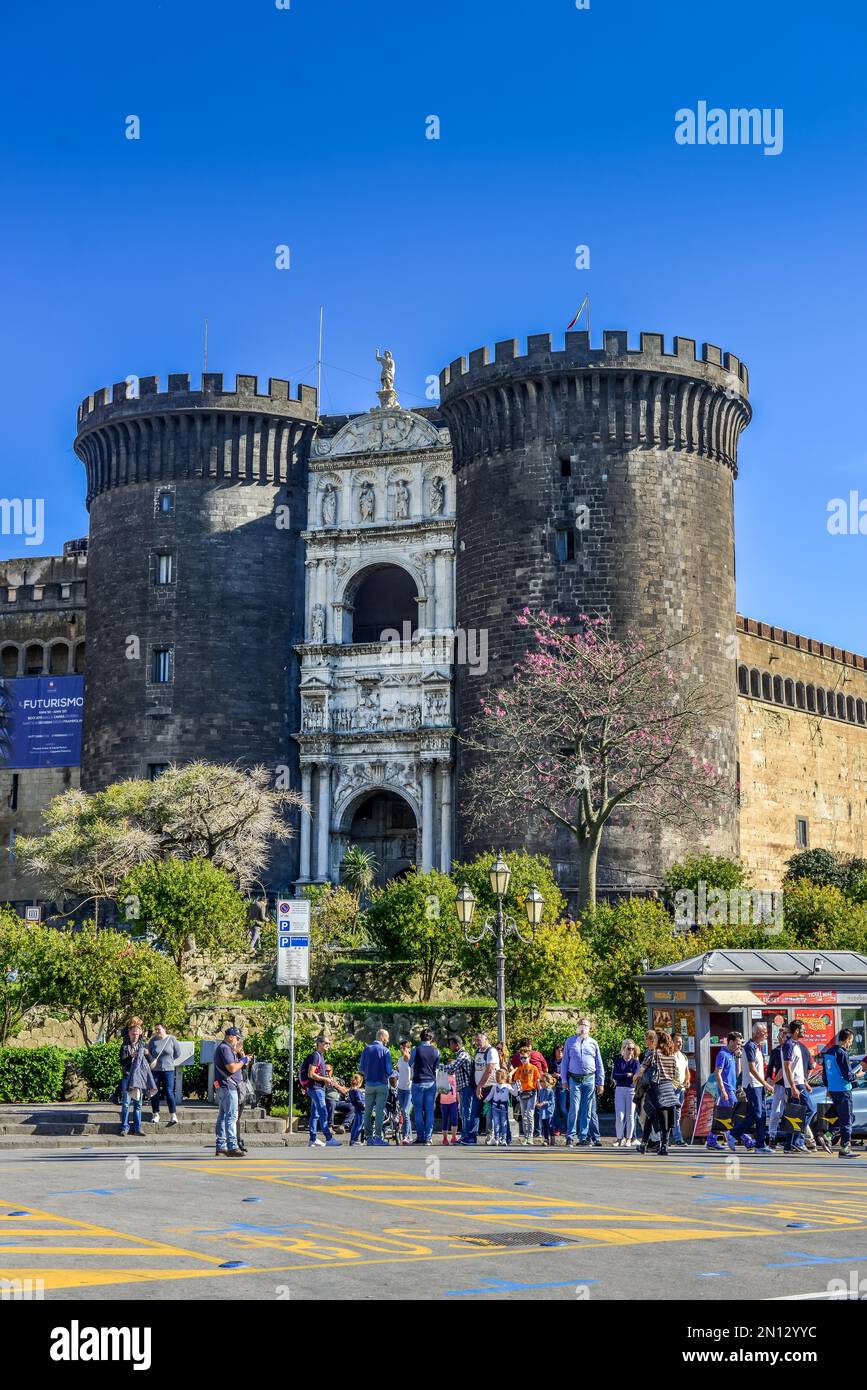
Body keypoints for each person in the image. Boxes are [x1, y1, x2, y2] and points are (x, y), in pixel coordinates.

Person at [561, 1017, 605, 1148]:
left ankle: (583, 1137)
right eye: (581, 1024)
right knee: (574, 1108)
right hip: (574, 1079)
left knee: (587, 1110)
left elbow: (599, 1063)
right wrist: (564, 1080)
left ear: (589, 1028)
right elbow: (565, 1063)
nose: (583, 1027)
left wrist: (601, 1082)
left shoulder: (593, 1043)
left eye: (585, 1025)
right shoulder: (569, 1042)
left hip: (589, 1079)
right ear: (577, 1027)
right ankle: (570, 1136)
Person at [634, 1030, 679, 1155]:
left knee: (653, 1115)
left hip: (656, 1089)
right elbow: (674, 1074)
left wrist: (636, 1078)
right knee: (661, 1117)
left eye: (655, 1039)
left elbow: (642, 1070)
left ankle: (653, 1145)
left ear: (659, 1040)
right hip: (669, 1088)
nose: (653, 1041)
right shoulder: (672, 1056)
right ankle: (656, 1145)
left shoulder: (654, 1053)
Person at [731, 1022, 774, 1153]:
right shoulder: (750, 1046)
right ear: (756, 1033)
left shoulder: (756, 1047)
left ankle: (761, 1144)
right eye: (763, 1032)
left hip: (759, 1085)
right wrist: (766, 1083)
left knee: (762, 1114)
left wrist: (765, 1083)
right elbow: (751, 1068)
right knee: (756, 1114)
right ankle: (732, 1133)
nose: (766, 1035)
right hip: (752, 1084)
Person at [821, 1028, 863, 1159]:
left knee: (847, 1117)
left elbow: (824, 1074)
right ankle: (845, 1148)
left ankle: (828, 1135)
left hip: (833, 1090)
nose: (851, 1043)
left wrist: (828, 1087)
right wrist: (858, 1075)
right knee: (846, 1119)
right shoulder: (842, 1053)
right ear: (847, 1040)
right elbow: (847, 1075)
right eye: (850, 1040)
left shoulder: (829, 1052)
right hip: (844, 1089)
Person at [781, 1019, 816, 1154]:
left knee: (793, 1114)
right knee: (809, 1110)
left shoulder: (796, 1045)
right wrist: (793, 1087)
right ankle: (798, 1141)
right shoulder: (789, 1044)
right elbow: (787, 1067)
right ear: (796, 1031)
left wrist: (805, 1082)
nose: (805, 1031)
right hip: (795, 1084)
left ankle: (788, 1145)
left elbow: (797, 1067)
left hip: (799, 1082)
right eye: (803, 1029)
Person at [214, 1026, 250, 1158]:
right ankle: (232, 1146)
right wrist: (244, 1060)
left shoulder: (227, 1049)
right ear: (230, 1037)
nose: (238, 1041)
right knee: (231, 1117)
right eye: (237, 1038)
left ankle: (221, 1146)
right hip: (228, 1086)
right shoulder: (225, 1049)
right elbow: (232, 1068)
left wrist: (240, 1055)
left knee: (223, 1116)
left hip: (225, 1086)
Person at [302, 1034, 341, 1148]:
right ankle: (329, 1138)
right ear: (319, 1043)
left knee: (315, 1114)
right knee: (323, 1112)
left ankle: (313, 1139)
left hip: (316, 1088)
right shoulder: (316, 1056)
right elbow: (311, 1074)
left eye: (329, 1043)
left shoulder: (320, 1056)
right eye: (326, 1043)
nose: (328, 1045)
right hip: (316, 1088)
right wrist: (325, 1079)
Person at [359, 1028, 394, 1147]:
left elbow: (361, 1069)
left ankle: (368, 1138)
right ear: (382, 1037)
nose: (387, 1040)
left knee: (367, 1112)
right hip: (382, 1084)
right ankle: (378, 1137)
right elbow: (389, 1071)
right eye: (387, 1038)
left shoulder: (366, 1049)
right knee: (379, 1112)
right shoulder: (385, 1051)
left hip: (369, 1085)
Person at [119, 1018, 152, 1137]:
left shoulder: (143, 1045)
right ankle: (125, 1127)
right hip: (127, 1077)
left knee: (138, 1104)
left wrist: (148, 1054)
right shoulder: (124, 1046)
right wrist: (130, 1056)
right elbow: (122, 1062)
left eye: (137, 1033)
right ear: (129, 1033)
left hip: (139, 1079)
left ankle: (137, 1128)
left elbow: (151, 1062)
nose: (135, 1036)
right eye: (133, 1033)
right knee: (126, 1104)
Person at [464, 1031, 498, 1146]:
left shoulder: (491, 1051)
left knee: (489, 1114)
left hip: (489, 1087)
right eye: (476, 1040)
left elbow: (490, 1070)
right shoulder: (478, 1051)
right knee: (474, 1112)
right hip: (479, 1087)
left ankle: (491, 1137)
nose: (477, 1042)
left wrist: (480, 1086)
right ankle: (471, 1137)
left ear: (486, 1039)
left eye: (479, 1040)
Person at [147, 1023, 181, 1127]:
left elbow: (177, 1053)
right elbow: (148, 1053)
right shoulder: (152, 1041)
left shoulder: (172, 1039)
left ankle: (173, 1115)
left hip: (169, 1070)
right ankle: (155, 1114)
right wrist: (152, 1059)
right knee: (154, 1092)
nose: (157, 1031)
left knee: (169, 1092)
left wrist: (169, 1061)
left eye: (159, 1029)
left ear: (164, 1029)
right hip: (155, 1070)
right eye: (155, 1029)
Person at [410, 1029, 440, 1145]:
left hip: (417, 1082)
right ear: (431, 1039)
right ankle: (428, 1138)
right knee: (429, 1110)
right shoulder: (436, 1051)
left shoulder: (416, 1049)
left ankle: (420, 1136)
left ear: (420, 1038)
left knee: (418, 1111)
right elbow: (436, 1066)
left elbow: (410, 1063)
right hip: (431, 1082)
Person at [612, 1040, 640, 1147]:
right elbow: (615, 1075)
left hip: (631, 1090)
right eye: (629, 1049)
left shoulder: (635, 1062)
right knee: (620, 1115)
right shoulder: (618, 1061)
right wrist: (626, 1075)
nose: (631, 1051)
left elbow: (635, 1076)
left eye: (633, 1049)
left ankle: (629, 1138)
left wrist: (627, 1075)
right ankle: (619, 1138)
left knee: (630, 1115)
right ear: (623, 1049)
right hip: (620, 1089)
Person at [446, 1035, 474, 1143]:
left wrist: (439, 1067)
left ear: (457, 1045)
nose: (450, 1046)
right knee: (463, 1112)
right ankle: (464, 1136)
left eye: (451, 1044)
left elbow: (452, 1068)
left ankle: (467, 1136)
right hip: (462, 1087)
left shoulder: (463, 1055)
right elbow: (452, 1071)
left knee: (466, 1111)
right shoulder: (459, 1055)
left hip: (466, 1086)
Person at [512, 1046, 542, 1145]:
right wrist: (518, 1093)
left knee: (529, 1115)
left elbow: (537, 1081)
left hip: (532, 1092)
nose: (523, 1060)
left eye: (525, 1057)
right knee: (524, 1115)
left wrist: (540, 1093)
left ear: (529, 1057)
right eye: (521, 1058)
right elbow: (517, 1081)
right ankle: (525, 1137)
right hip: (522, 1093)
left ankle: (530, 1136)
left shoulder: (534, 1068)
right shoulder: (519, 1069)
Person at [767, 1024, 790, 1148]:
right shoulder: (776, 1051)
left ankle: (791, 1139)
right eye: (779, 1035)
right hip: (779, 1086)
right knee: (775, 1112)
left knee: (790, 1112)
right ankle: (772, 1137)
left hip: (791, 1086)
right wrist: (769, 1080)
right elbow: (771, 1068)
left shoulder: (792, 1049)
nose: (781, 1038)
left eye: (784, 1035)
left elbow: (808, 1066)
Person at [670, 1036, 690, 1146]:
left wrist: (687, 1080)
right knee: (672, 1114)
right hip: (672, 1089)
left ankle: (675, 1137)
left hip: (681, 1089)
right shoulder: (669, 1056)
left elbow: (687, 1072)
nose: (680, 1044)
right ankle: (676, 1137)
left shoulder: (683, 1057)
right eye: (677, 1041)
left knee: (677, 1114)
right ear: (671, 1042)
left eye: (681, 1042)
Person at [549, 1043, 569, 1140]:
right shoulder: (551, 1061)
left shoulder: (566, 1061)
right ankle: (556, 1128)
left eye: (561, 1050)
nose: (560, 1052)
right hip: (553, 1087)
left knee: (562, 1108)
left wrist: (560, 1076)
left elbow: (568, 1073)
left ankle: (568, 1127)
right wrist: (552, 1075)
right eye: (558, 1050)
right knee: (555, 1109)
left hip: (562, 1087)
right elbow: (547, 1073)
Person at [488, 1070, 513, 1145]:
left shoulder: (507, 1086)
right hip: (495, 1106)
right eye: (497, 1077)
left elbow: (514, 1093)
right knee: (496, 1123)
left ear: (504, 1077)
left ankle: (504, 1139)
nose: (498, 1078)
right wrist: (485, 1100)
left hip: (503, 1106)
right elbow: (490, 1095)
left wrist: (517, 1087)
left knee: (503, 1123)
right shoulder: (494, 1086)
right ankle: (497, 1138)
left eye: (499, 1077)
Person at [396, 1038, 413, 1145]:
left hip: (409, 1089)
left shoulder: (412, 1061)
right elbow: (398, 1073)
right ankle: (409, 1136)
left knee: (406, 1113)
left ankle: (406, 1136)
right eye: (401, 1048)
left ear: (409, 1049)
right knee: (403, 1113)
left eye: (405, 1048)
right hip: (400, 1089)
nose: (403, 1050)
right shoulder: (399, 1060)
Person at [438, 1069, 459, 1144]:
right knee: (445, 1120)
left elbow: (457, 1091)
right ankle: (445, 1139)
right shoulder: (443, 1077)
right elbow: (438, 1088)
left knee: (454, 1119)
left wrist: (459, 1102)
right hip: (443, 1102)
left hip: (453, 1102)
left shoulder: (456, 1077)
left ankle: (454, 1137)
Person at [537, 1074, 556, 1146]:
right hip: (542, 1111)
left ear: (548, 1082)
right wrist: (537, 1103)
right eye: (540, 1081)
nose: (541, 1083)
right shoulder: (541, 1091)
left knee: (550, 1125)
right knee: (544, 1126)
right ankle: (546, 1139)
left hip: (549, 1111)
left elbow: (552, 1101)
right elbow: (539, 1099)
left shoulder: (550, 1091)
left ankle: (552, 1137)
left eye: (543, 1081)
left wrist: (544, 1103)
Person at [348, 1073, 366, 1146]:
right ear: (360, 1082)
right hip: (361, 1110)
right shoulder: (357, 1091)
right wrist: (364, 1106)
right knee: (360, 1125)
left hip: (356, 1109)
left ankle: (352, 1139)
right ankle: (355, 1139)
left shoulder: (351, 1091)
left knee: (355, 1125)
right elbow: (359, 1100)